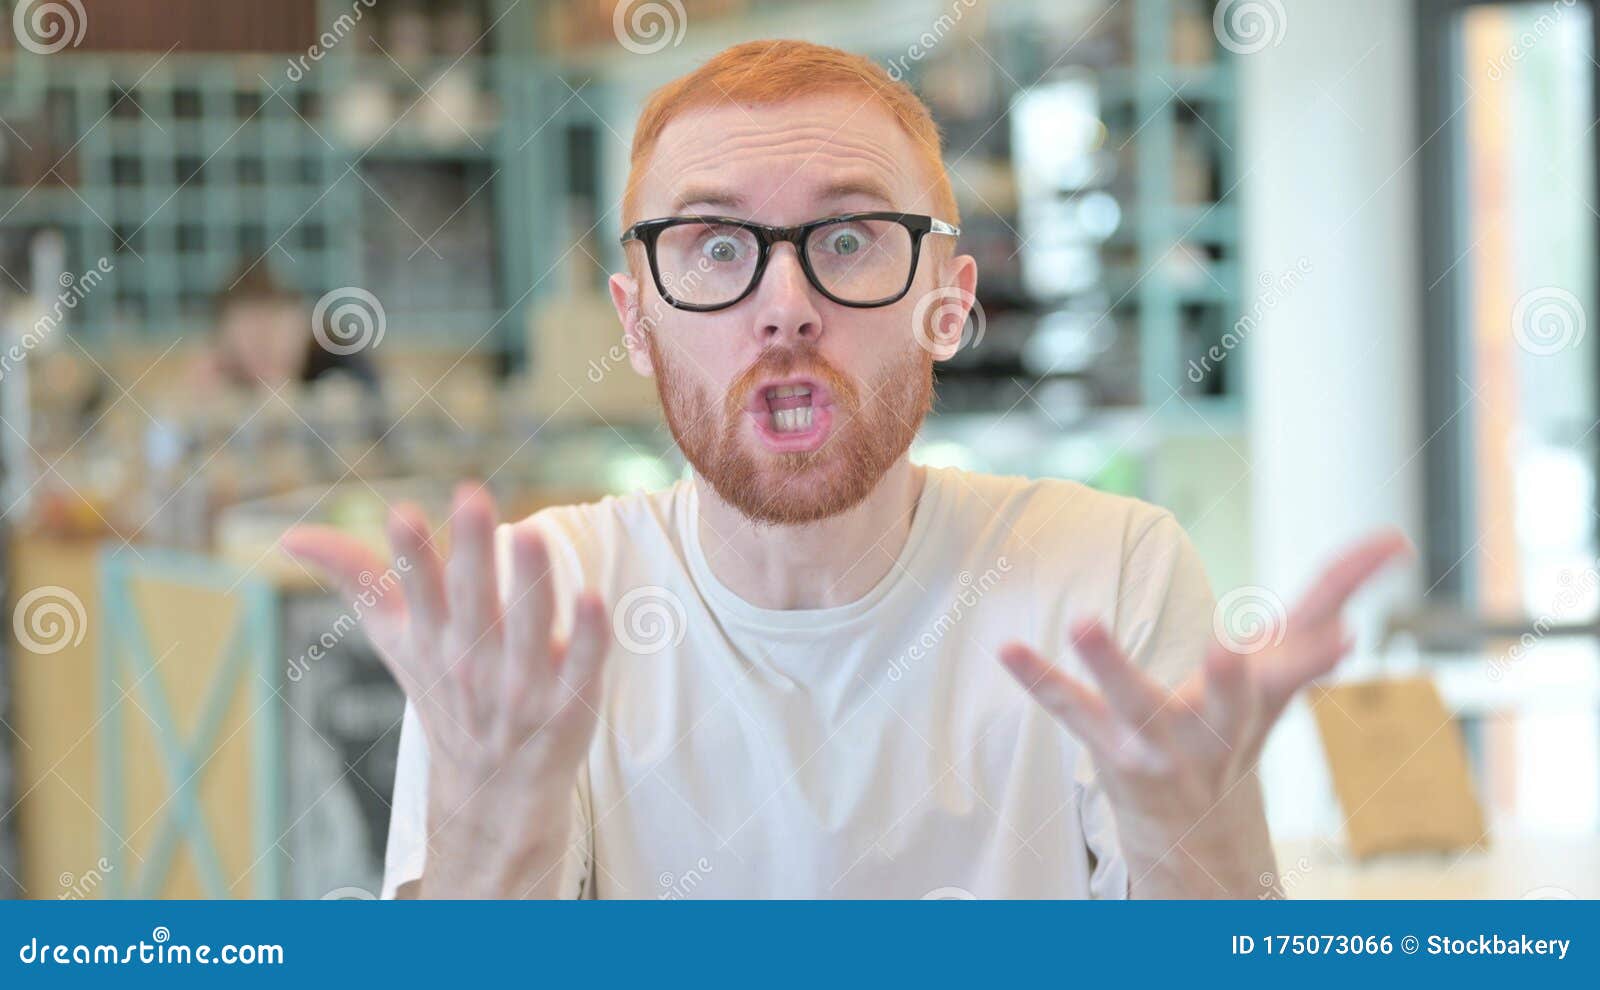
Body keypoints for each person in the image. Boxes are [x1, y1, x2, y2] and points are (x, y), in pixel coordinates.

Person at [281, 40, 1409, 899]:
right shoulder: (538, 609)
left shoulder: (1107, 574)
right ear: (636, 322)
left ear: (949, 303)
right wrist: (495, 844)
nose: (785, 307)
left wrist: (1197, 848)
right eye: (716, 246)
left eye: (850, 238)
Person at [188, 263, 383, 397]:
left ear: (303, 324)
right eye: (251, 339)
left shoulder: (337, 359)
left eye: (274, 330)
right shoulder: (222, 378)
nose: (265, 345)